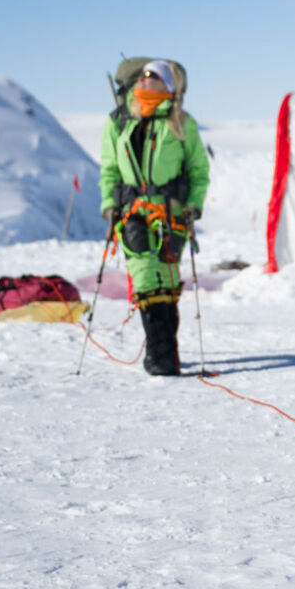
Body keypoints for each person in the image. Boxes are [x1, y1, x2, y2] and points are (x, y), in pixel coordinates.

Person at [98, 61, 209, 376]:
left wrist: (194, 205)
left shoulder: (182, 123)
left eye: (157, 78)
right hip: (132, 213)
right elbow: (109, 168)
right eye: (146, 76)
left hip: (171, 214)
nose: (148, 81)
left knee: (167, 283)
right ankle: (160, 359)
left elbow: (199, 172)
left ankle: (164, 352)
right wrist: (109, 205)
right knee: (147, 281)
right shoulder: (119, 121)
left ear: (171, 87)